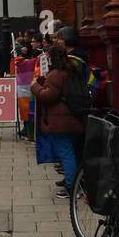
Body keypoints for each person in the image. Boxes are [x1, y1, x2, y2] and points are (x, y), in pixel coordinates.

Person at [31, 45, 86, 198]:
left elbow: (48, 96)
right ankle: (76, 183)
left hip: (62, 121)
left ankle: (72, 188)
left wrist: (35, 86)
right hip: (73, 117)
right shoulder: (71, 70)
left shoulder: (56, 74)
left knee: (66, 153)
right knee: (73, 152)